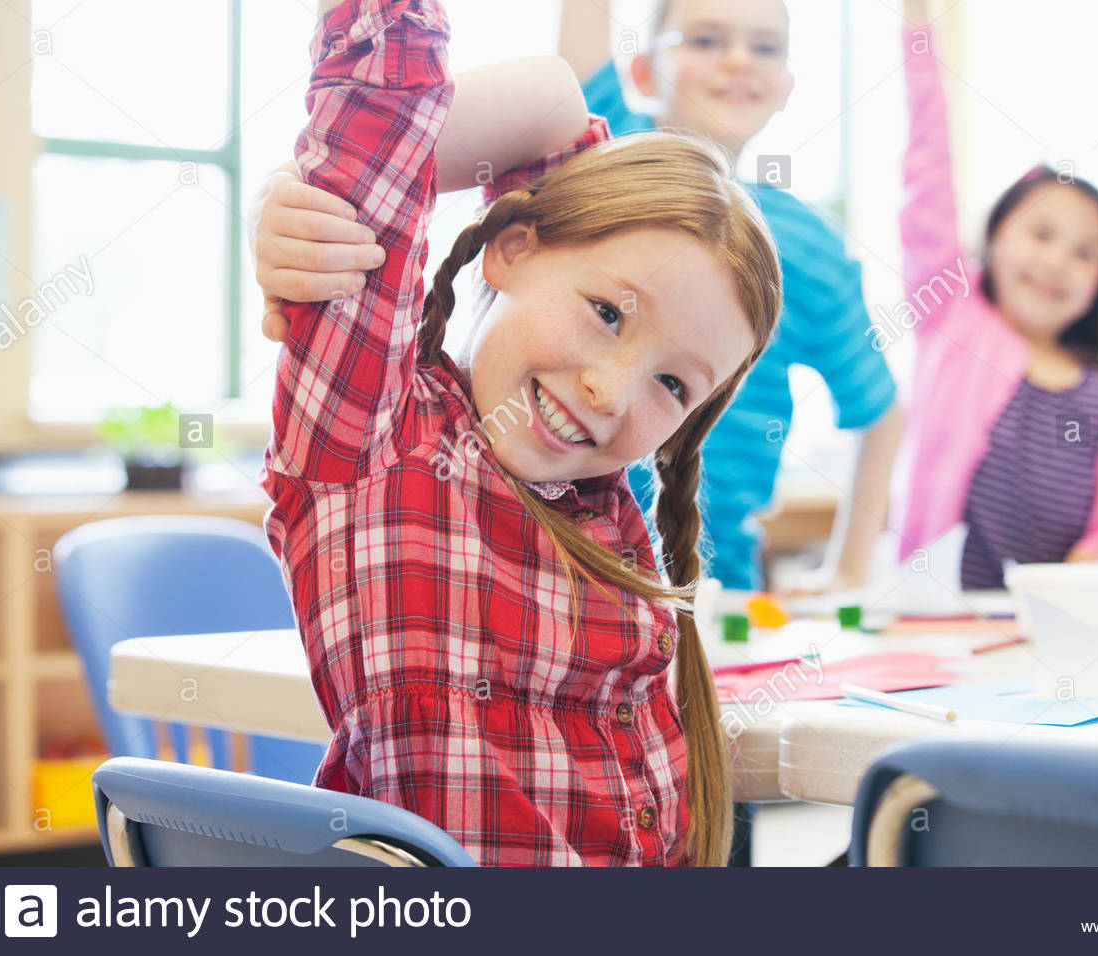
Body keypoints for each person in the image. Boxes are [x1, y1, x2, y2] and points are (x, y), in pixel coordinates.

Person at [262, 0, 782, 866]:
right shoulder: (376, 443)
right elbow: (404, 116)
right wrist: (297, 195)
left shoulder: (606, 516)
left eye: (671, 383)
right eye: (609, 311)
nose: (611, 393)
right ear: (510, 246)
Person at [896, 0, 1098, 588]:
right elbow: (928, 181)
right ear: (992, 239)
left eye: (1085, 252)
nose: (1057, 262)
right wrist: (919, 37)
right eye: (1042, 234)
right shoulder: (952, 315)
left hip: (1053, 631)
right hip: (936, 618)